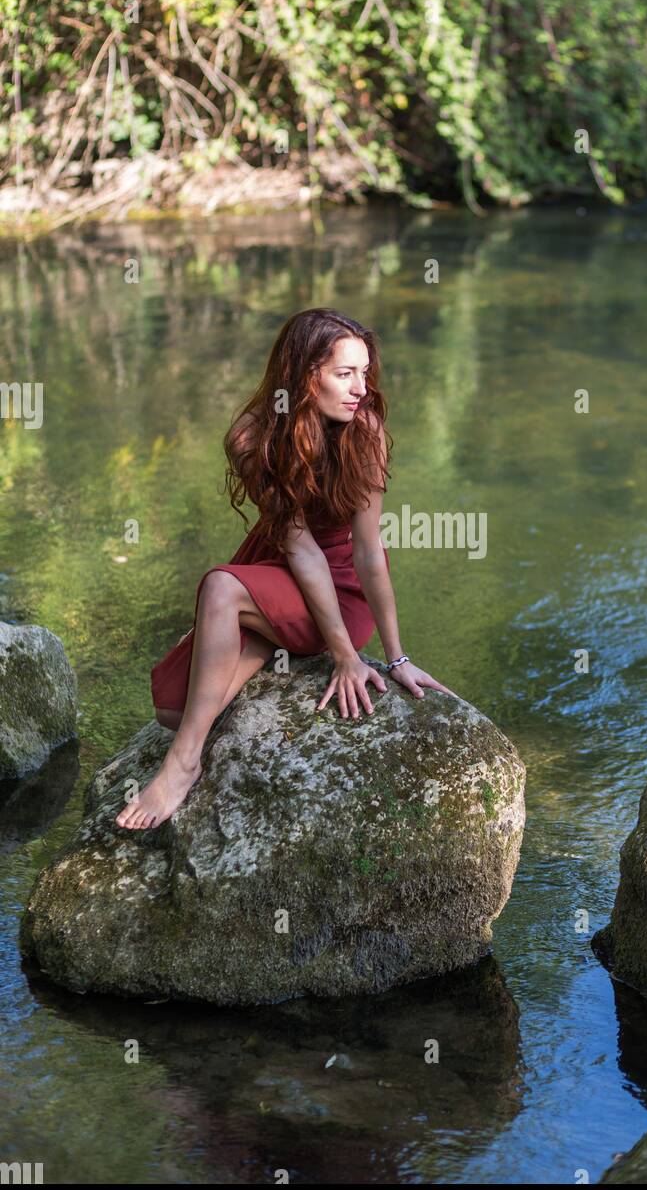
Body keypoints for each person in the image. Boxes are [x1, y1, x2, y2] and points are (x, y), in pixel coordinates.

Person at [116, 306, 455, 832]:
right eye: (345, 374)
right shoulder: (251, 439)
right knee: (168, 710)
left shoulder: (365, 432)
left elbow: (368, 552)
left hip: (341, 583)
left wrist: (386, 656)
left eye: (364, 372)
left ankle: (182, 762)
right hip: (282, 561)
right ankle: (261, 642)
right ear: (302, 376)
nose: (360, 388)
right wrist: (340, 655)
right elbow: (298, 548)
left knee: (222, 587)